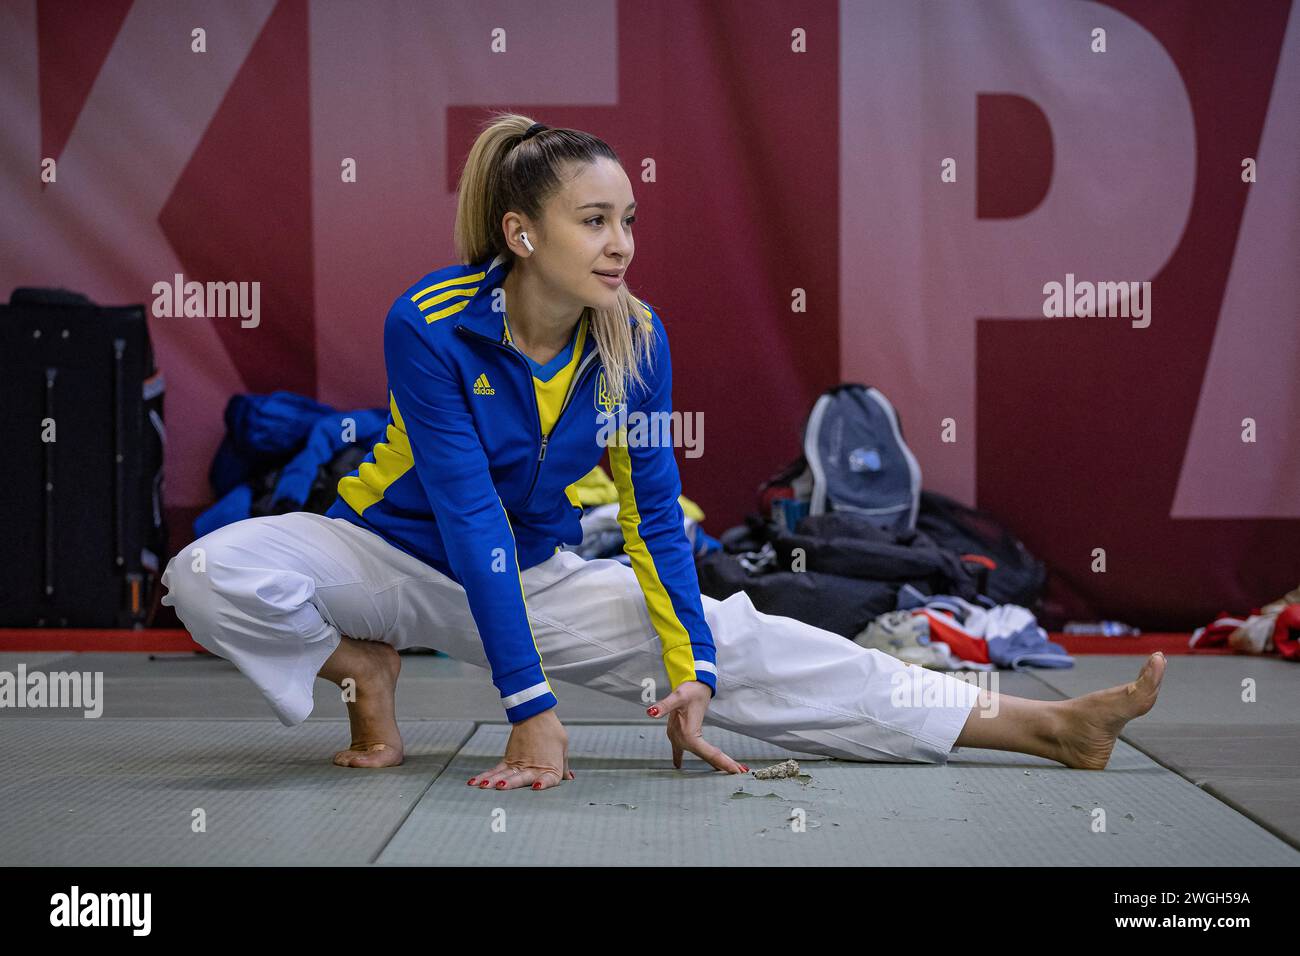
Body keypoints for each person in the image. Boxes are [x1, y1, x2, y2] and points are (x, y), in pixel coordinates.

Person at [161, 113, 1166, 792]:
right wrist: (530, 707)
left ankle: (1047, 727)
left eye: (628, 221)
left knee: (744, 645)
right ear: (521, 233)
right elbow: (466, 513)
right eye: (594, 221)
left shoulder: (635, 342)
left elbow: (650, 513)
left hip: (534, 573)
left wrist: (691, 666)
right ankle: (362, 673)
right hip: (380, 552)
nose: (622, 244)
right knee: (208, 573)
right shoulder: (428, 323)